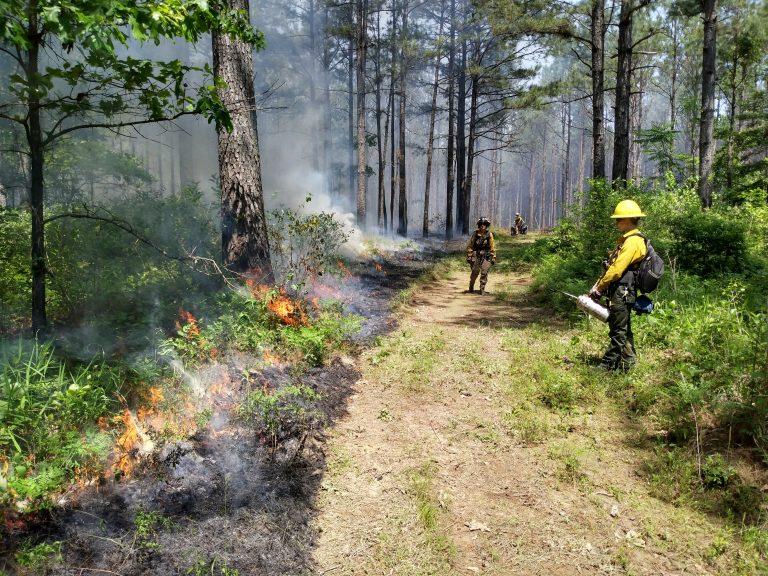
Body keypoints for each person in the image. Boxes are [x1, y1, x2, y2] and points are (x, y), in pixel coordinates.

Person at [589, 200, 648, 371]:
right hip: (621, 290)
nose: (616, 222)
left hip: (622, 291)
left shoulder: (633, 242)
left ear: (628, 219)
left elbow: (616, 270)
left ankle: (607, 365)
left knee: (618, 331)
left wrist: (599, 288)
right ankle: (628, 364)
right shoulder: (628, 240)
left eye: (619, 219)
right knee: (622, 328)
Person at [466, 217, 496, 294]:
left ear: (486, 225)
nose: (483, 226)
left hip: (487, 255)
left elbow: (492, 246)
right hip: (476, 254)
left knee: (484, 272)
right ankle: (471, 286)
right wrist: (469, 255)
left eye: (484, 224)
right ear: (479, 225)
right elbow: (470, 245)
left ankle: (482, 289)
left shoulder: (489, 234)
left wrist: (493, 257)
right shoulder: (475, 234)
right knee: (475, 271)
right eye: (481, 224)